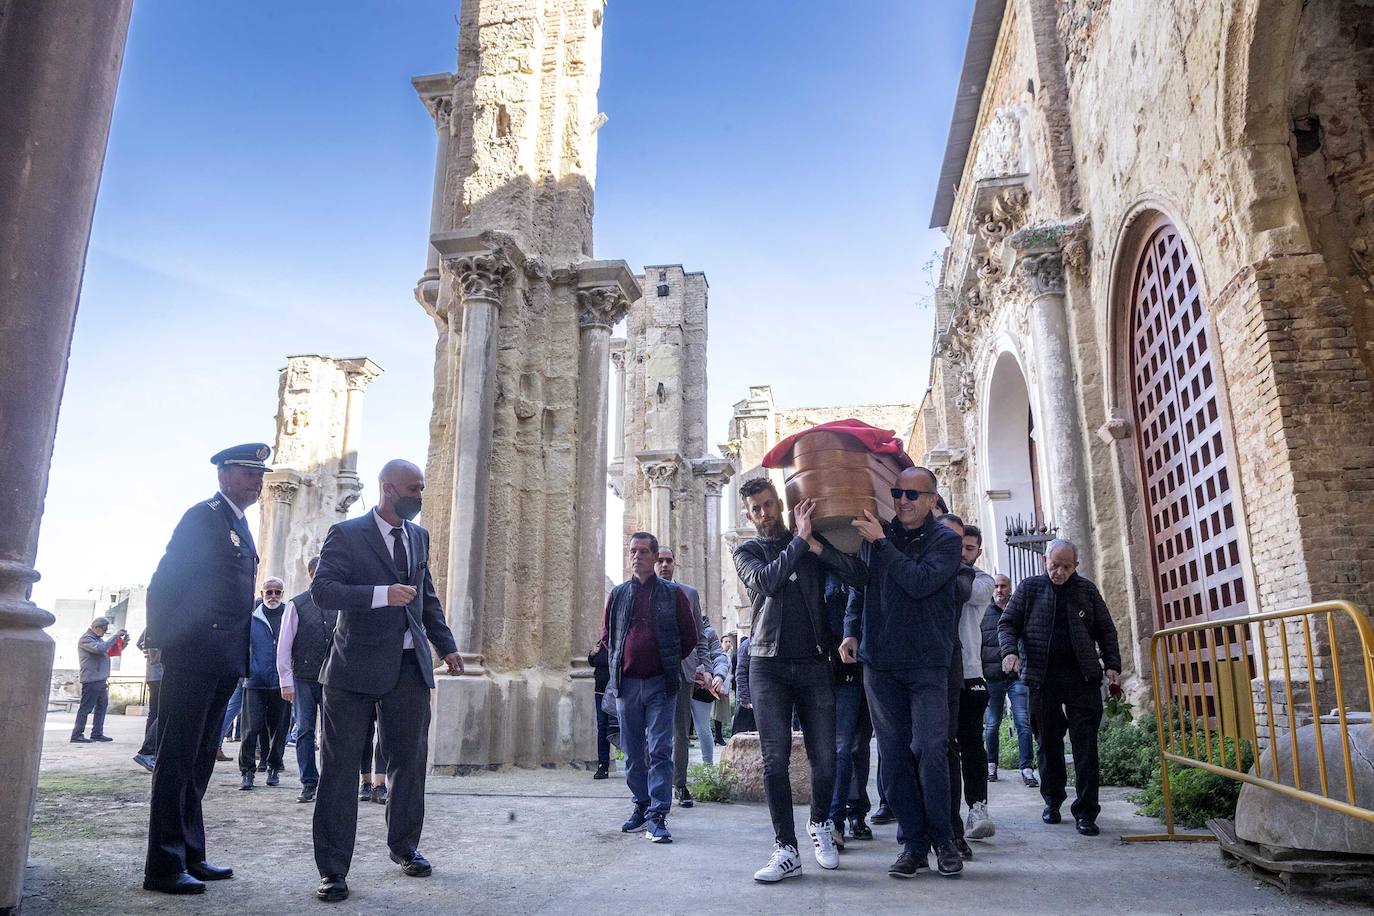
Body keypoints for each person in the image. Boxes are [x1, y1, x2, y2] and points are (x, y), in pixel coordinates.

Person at [309, 459, 462, 902]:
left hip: (409, 670)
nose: (421, 494)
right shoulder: (348, 534)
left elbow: (426, 595)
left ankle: (405, 848)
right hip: (353, 669)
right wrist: (381, 596)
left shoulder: (419, 536)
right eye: (415, 488)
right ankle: (333, 870)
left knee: (409, 764)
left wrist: (446, 644)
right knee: (339, 771)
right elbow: (324, 590)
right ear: (388, 489)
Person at [143, 442, 271, 895]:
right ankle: (162, 865)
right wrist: (161, 640)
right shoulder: (203, 516)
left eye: (260, 475)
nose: (257, 481)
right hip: (193, 655)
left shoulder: (239, 524)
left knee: (199, 760)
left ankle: (191, 854)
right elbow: (166, 580)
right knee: (177, 759)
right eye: (247, 473)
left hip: (223, 659)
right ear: (223, 475)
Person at [732, 480, 865, 883]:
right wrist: (800, 543)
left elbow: (859, 574)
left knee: (825, 757)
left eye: (769, 505)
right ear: (748, 514)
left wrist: (814, 544)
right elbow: (769, 582)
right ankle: (785, 848)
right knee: (774, 761)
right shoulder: (746, 551)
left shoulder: (807, 543)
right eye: (755, 509)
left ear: (781, 504)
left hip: (813, 664)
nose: (764, 514)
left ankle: (821, 823)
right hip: (767, 665)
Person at [840, 466, 965, 879]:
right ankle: (912, 844)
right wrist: (850, 632)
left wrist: (881, 544)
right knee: (892, 758)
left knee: (930, 750)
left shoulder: (946, 541)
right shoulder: (878, 535)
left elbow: (919, 581)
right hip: (881, 662)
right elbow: (860, 587)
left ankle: (944, 838)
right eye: (897, 492)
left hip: (929, 662)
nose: (903, 501)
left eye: (913, 494)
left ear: (932, 499)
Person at [999, 539, 1121, 836]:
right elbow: (1007, 624)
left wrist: (1113, 665)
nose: (1059, 572)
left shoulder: (1087, 591)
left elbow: (1106, 630)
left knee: (1086, 747)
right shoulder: (1030, 589)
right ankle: (1052, 801)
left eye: (1066, 567)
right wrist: (1009, 652)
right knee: (1048, 743)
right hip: (1042, 678)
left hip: (1082, 677)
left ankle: (1086, 812)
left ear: (1075, 566)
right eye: (1054, 565)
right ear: (1045, 561)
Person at [602, 532, 699, 844]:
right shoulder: (617, 594)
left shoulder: (673, 595)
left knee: (659, 748)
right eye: (633, 550)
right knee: (632, 751)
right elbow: (608, 636)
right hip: (627, 684)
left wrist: (666, 662)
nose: (637, 556)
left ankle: (658, 815)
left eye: (644, 551)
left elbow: (690, 637)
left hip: (660, 683)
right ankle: (641, 805)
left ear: (655, 557)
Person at [654, 546, 719, 809]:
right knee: (655, 730)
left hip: (683, 670)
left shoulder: (689, 594)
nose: (664, 564)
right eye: (660, 560)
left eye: (669, 560)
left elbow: (699, 635)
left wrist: (705, 665)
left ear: (675, 563)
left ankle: (680, 784)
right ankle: (655, 785)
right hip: (653, 669)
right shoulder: (644, 591)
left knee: (681, 731)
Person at [944, 520, 996, 849]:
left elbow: (965, 592)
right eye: (958, 545)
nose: (963, 553)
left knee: (972, 743)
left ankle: (977, 808)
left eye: (969, 548)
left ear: (977, 553)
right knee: (944, 748)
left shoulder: (983, 581)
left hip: (971, 673)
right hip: (938, 672)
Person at [277, 556, 336, 803]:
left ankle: (331, 782)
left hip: (333, 678)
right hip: (304, 677)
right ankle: (308, 781)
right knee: (304, 730)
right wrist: (285, 681)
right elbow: (284, 645)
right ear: (311, 575)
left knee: (333, 733)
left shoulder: (340, 604)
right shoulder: (296, 604)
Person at [982, 573, 1037, 787]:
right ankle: (991, 765)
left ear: (1009, 587)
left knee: (1023, 721)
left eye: (1003, 586)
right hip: (993, 677)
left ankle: (1026, 768)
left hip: (1017, 676)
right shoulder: (984, 613)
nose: (999, 590)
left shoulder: (1019, 610)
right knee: (992, 723)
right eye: (996, 586)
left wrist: (1022, 664)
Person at [238, 577, 291, 790]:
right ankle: (247, 772)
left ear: (282, 594)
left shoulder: (290, 615)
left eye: (277, 592)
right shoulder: (252, 618)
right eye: (269, 592)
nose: (273, 596)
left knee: (279, 729)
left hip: (282, 682)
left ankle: (273, 767)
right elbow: (242, 646)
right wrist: (246, 671)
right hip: (255, 680)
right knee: (251, 729)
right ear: (262, 594)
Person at [72, 617, 126, 743]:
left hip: (100, 679)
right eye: (104, 629)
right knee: (86, 708)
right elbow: (100, 649)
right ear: (96, 627)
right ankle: (77, 734)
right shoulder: (86, 639)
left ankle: (97, 733)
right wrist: (115, 636)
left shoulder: (98, 639)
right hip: (91, 679)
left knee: (102, 706)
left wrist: (123, 643)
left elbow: (109, 651)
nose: (105, 632)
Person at [691, 614, 729, 767]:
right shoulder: (678, 624)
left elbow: (719, 657)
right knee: (677, 732)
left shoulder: (709, 632)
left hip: (703, 687)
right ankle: (678, 773)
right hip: (682, 684)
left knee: (703, 728)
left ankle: (708, 768)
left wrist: (719, 675)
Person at [133, 629, 163, 771]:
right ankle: (150, 750)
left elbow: (140, 643)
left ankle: (150, 748)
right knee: (162, 712)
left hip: (154, 674)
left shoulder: (152, 625)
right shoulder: (162, 622)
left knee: (155, 713)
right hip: (160, 673)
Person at [588, 637, 613, 779]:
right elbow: (593, 662)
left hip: (617, 693)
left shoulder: (622, 640)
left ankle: (635, 763)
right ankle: (603, 765)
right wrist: (592, 653)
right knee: (602, 727)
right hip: (600, 692)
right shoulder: (601, 642)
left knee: (619, 728)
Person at [731, 634, 755, 734]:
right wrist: (744, 699)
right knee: (741, 736)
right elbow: (740, 673)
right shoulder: (747, 645)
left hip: (759, 698)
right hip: (748, 699)